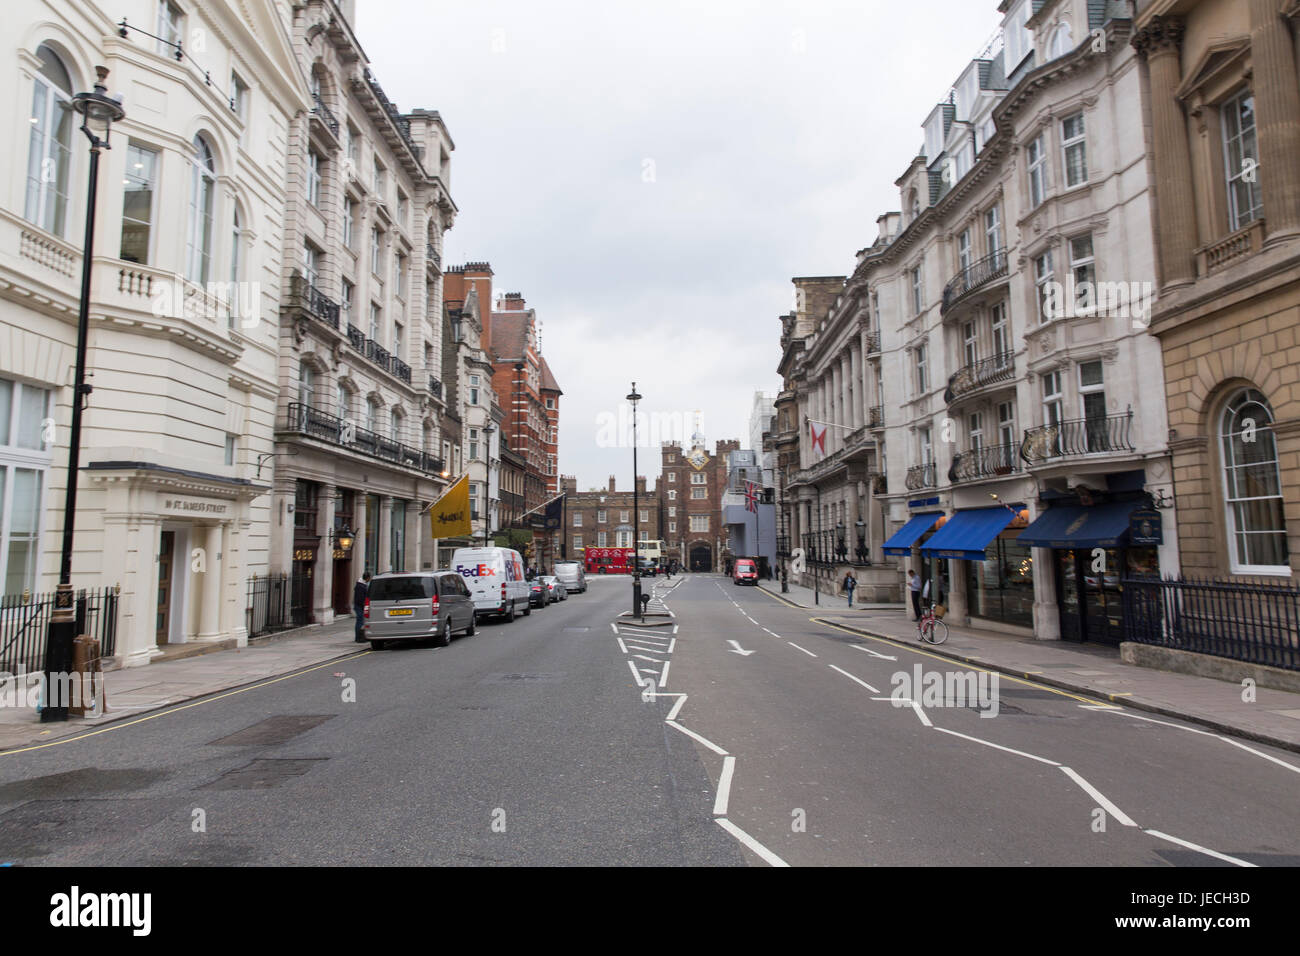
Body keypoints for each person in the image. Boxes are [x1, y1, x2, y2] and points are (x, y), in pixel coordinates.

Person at [353, 571, 371, 642]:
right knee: (360, 621)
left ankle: (360, 636)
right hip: (359, 606)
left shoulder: (362, 585)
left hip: (360, 606)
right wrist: (364, 606)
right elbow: (360, 599)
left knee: (361, 621)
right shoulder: (361, 586)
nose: (369, 580)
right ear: (367, 578)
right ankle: (358, 637)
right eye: (369, 578)